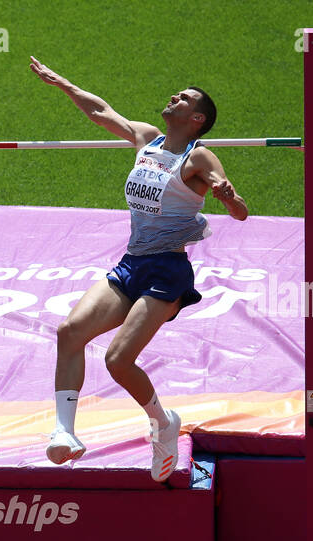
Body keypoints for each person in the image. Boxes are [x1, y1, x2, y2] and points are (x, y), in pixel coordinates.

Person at [30, 57, 248, 481]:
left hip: (167, 271)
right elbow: (101, 112)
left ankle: (164, 422)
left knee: (117, 360)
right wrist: (63, 83)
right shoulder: (147, 140)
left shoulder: (198, 155)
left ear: (196, 118)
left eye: (183, 98)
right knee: (70, 333)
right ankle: (65, 432)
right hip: (133, 262)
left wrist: (226, 197)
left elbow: (239, 212)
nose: (173, 97)